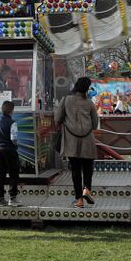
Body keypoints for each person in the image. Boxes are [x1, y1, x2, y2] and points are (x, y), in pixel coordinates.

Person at [55, 77, 99, 208]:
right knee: (87, 167)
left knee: (75, 169)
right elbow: (95, 124)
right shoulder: (89, 103)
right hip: (88, 141)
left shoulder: (66, 100)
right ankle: (87, 189)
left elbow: (57, 118)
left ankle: (79, 200)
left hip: (71, 141)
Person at [0, 100, 20, 207]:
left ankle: (0, 199)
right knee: (13, 174)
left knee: (0, 174)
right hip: (10, 151)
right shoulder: (13, 123)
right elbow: (14, 138)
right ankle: (13, 198)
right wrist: (15, 146)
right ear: (11, 111)